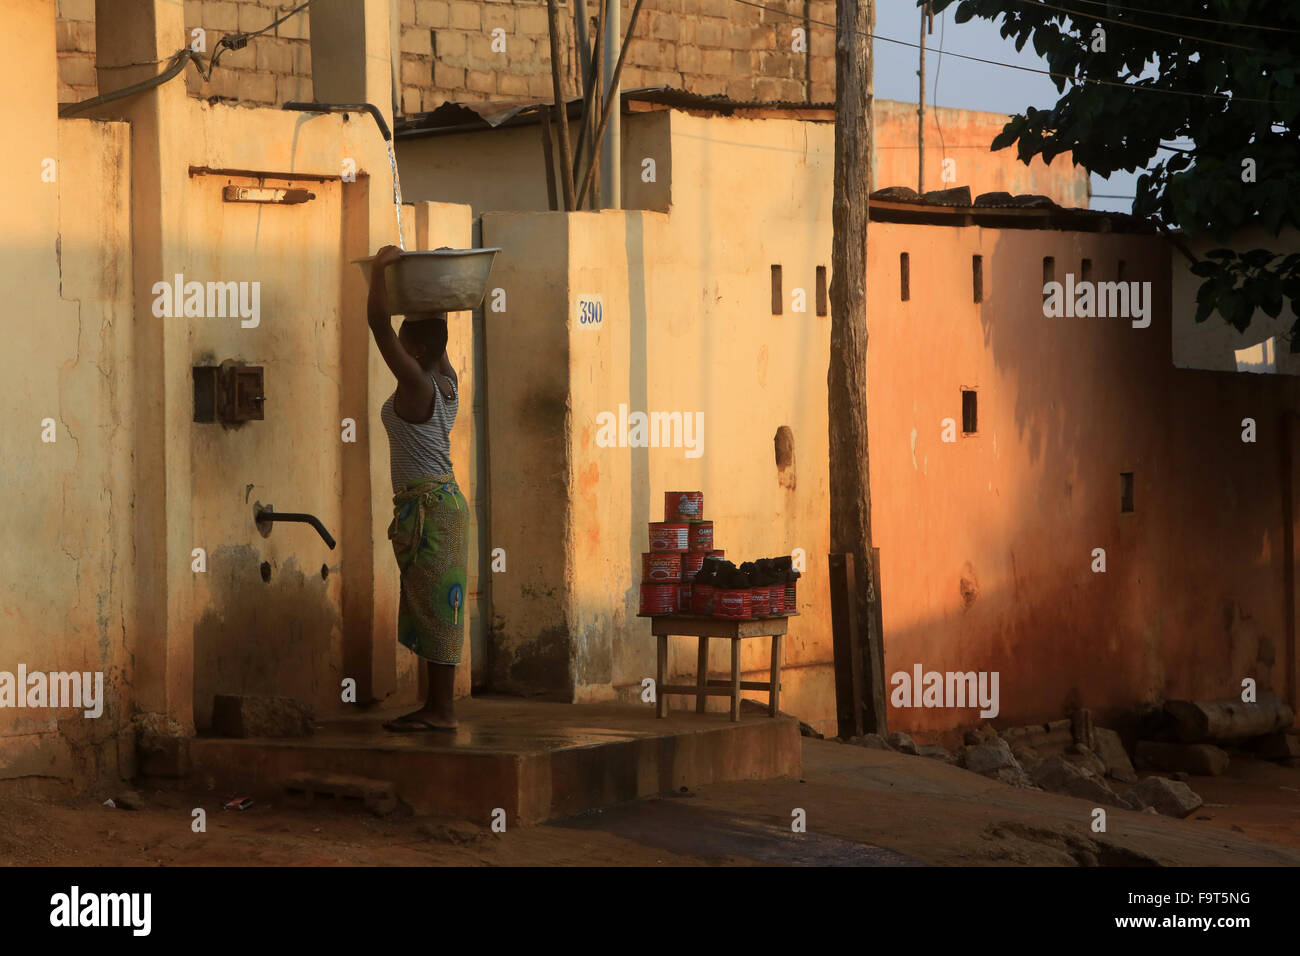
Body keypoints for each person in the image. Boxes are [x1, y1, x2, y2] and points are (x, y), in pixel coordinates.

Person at [366, 244, 468, 732]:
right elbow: (436, 338)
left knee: (437, 606)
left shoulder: (417, 386)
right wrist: (439, 287)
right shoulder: (446, 382)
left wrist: (382, 272)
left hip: (431, 505)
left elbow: (378, 327)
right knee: (435, 605)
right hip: (442, 504)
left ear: (417, 352)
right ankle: (436, 708)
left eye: (408, 343)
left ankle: (442, 712)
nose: (399, 348)